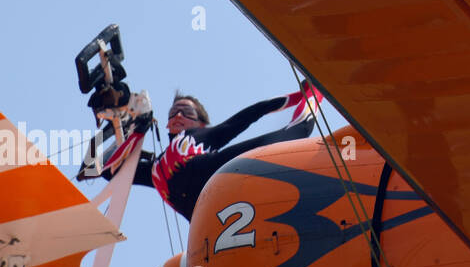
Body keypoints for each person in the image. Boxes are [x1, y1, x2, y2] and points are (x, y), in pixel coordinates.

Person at [103, 85, 320, 220]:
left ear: (202, 123)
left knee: (297, 131)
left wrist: (298, 95)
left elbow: (251, 113)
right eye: (172, 113)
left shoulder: (205, 135)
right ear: (167, 125)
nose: (178, 115)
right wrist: (130, 127)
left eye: (186, 112)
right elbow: (106, 170)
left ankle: (317, 91)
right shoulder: (154, 168)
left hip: (211, 170)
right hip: (204, 217)